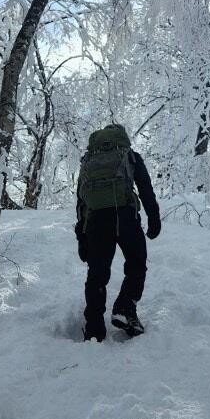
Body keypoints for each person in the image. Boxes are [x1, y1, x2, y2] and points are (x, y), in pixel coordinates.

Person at [74, 123, 161, 341]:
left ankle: (94, 329)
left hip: (95, 221)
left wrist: (81, 236)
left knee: (97, 273)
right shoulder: (130, 156)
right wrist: (154, 218)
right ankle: (125, 308)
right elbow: (146, 189)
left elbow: (81, 201)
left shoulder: (88, 162)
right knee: (136, 262)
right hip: (125, 217)